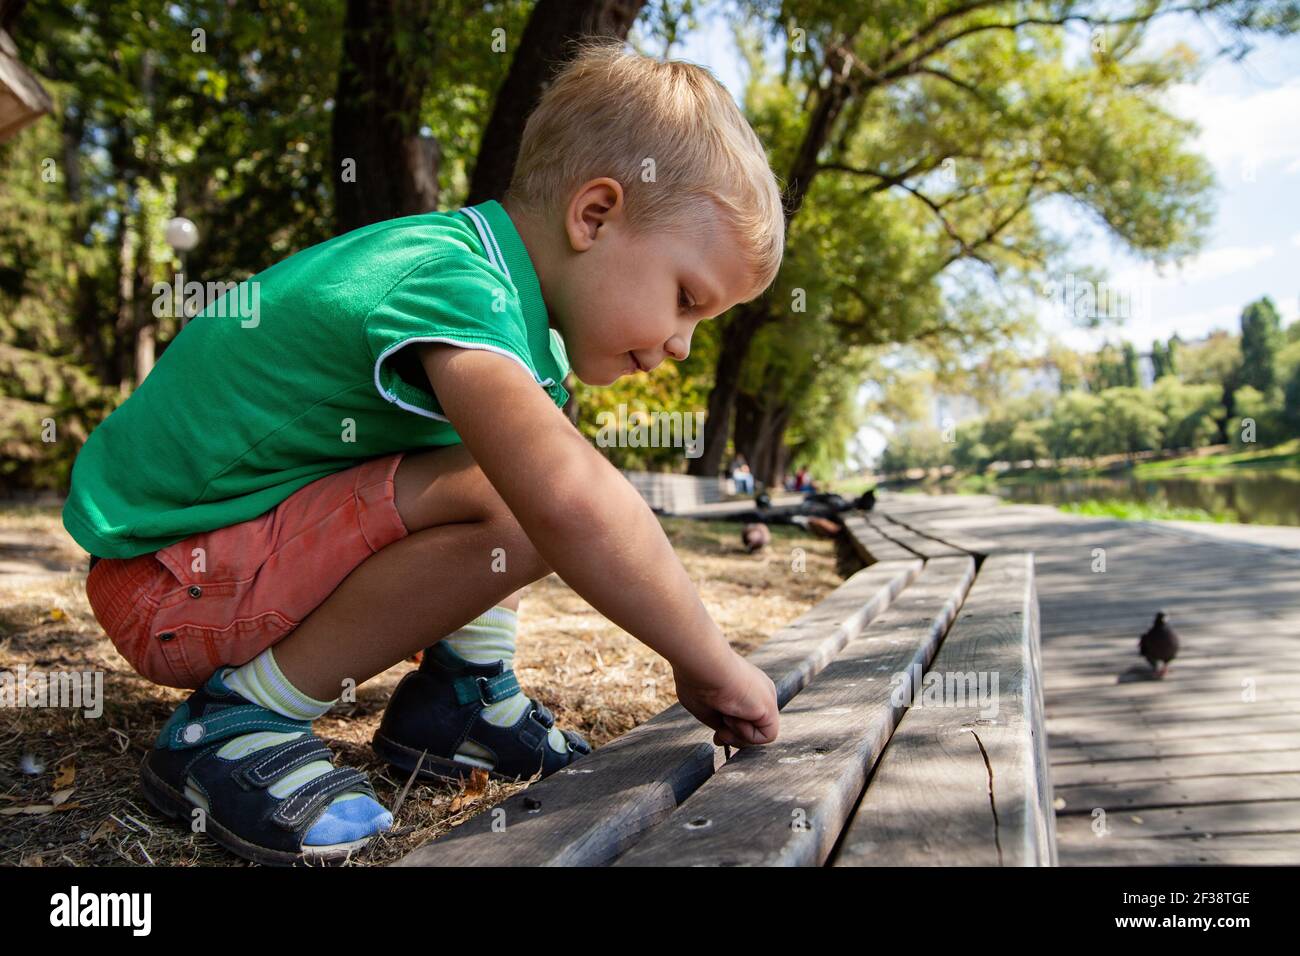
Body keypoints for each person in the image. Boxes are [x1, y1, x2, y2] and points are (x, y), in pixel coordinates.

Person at [62, 40, 785, 866]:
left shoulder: (498, 309)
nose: (685, 344)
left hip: (215, 559)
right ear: (594, 215)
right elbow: (567, 499)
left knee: (527, 458)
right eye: (687, 298)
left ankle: (462, 701)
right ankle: (237, 721)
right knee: (534, 487)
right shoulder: (449, 281)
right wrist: (706, 660)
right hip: (166, 581)